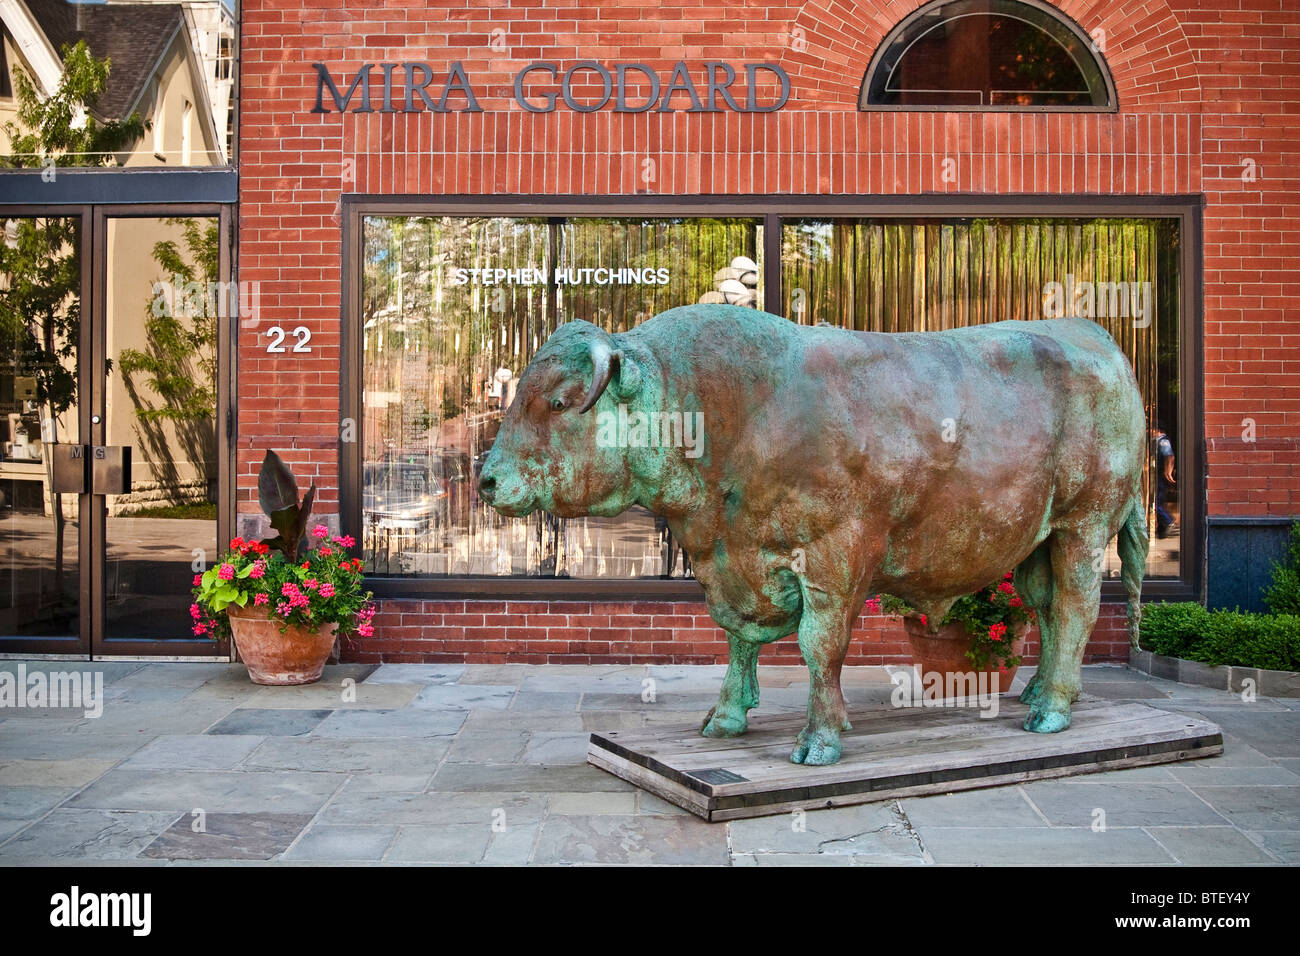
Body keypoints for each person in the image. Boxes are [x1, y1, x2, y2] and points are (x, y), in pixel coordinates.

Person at [1152, 425, 1177, 539]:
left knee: (1157, 502)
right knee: (1158, 501)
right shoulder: (1157, 441)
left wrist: (1168, 472)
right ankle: (1162, 528)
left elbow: (1169, 456)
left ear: (1158, 430)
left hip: (1161, 475)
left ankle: (1168, 521)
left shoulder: (1163, 441)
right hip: (1158, 474)